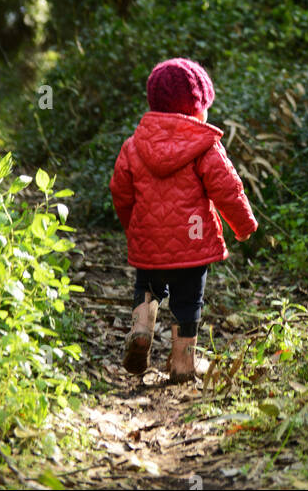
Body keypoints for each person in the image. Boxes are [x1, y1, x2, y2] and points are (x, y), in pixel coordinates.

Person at [109, 56, 258, 383]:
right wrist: (243, 225)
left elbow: (120, 190)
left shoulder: (133, 145)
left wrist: (132, 226)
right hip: (192, 245)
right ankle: (182, 364)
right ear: (196, 109)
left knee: (147, 289)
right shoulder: (205, 145)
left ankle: (142, 329)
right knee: (188, 302)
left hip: (149, 242)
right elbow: (227, 189)